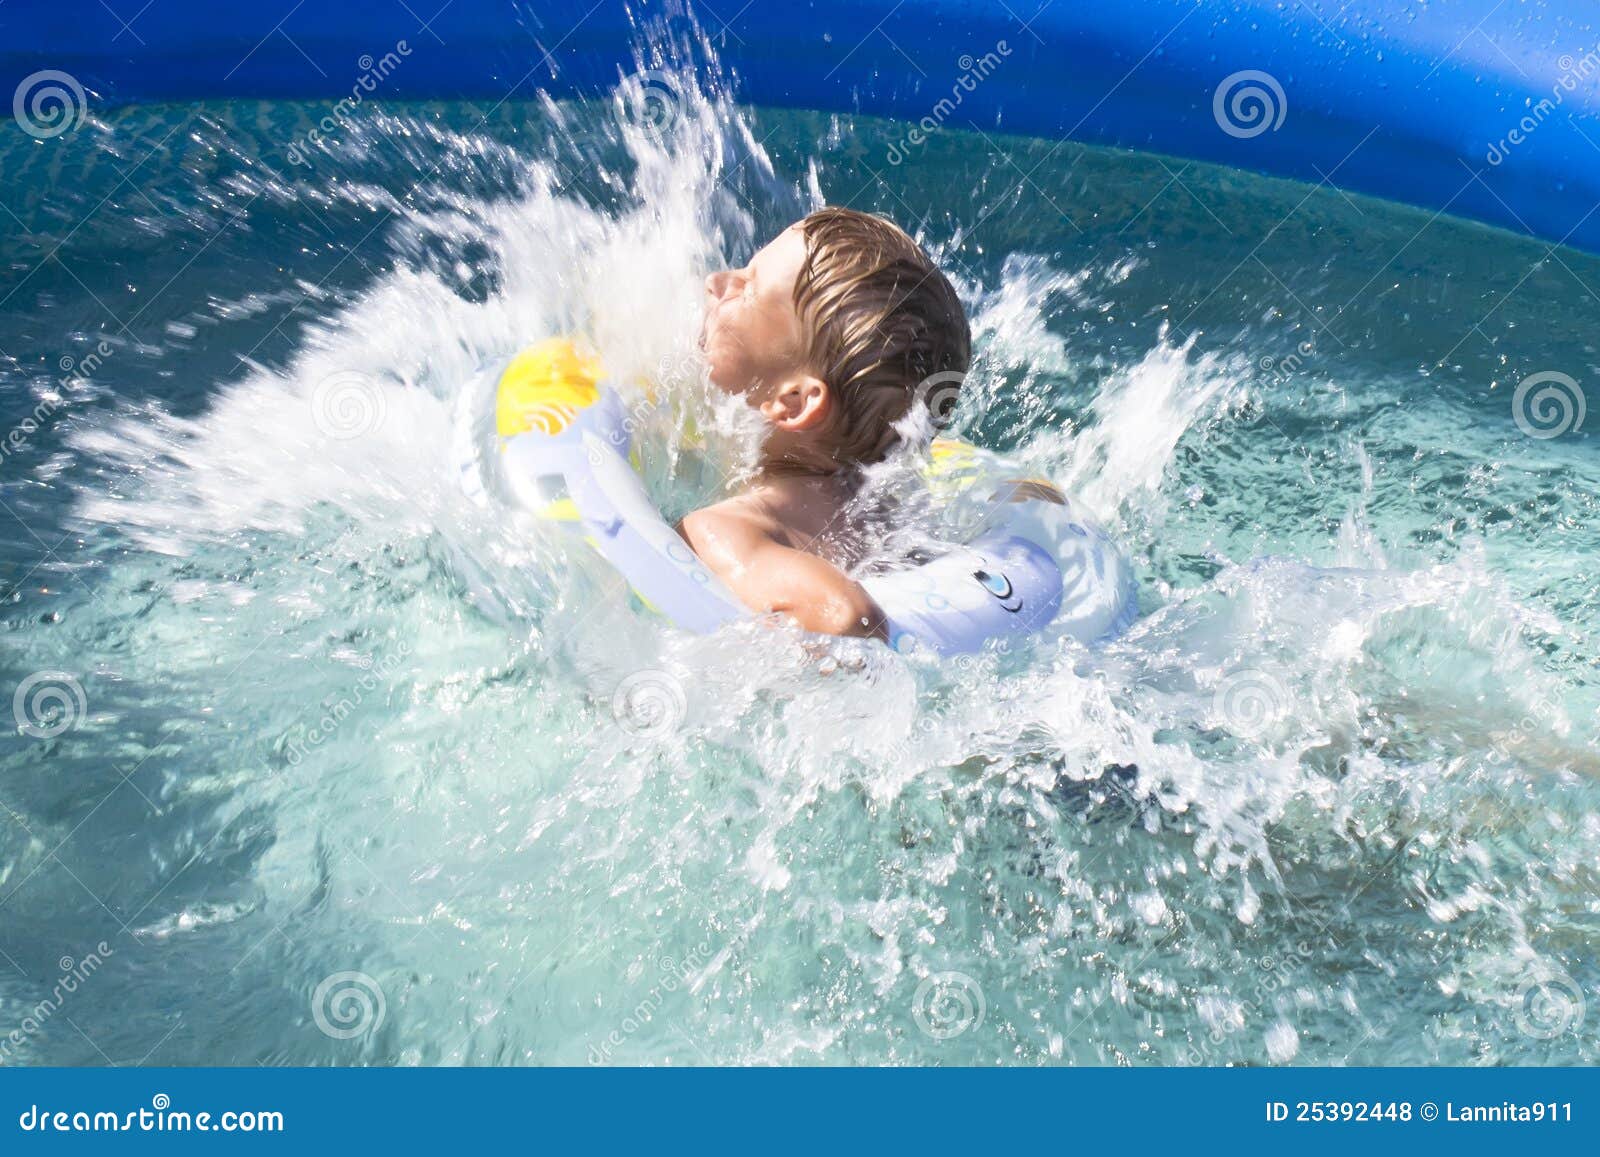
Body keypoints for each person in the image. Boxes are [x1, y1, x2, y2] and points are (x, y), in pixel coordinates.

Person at [679, 207, 971, 639]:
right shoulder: (882, 507)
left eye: (746, 288)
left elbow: (846, 616)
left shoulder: (727, 528)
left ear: (793, 402)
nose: (717, 282)